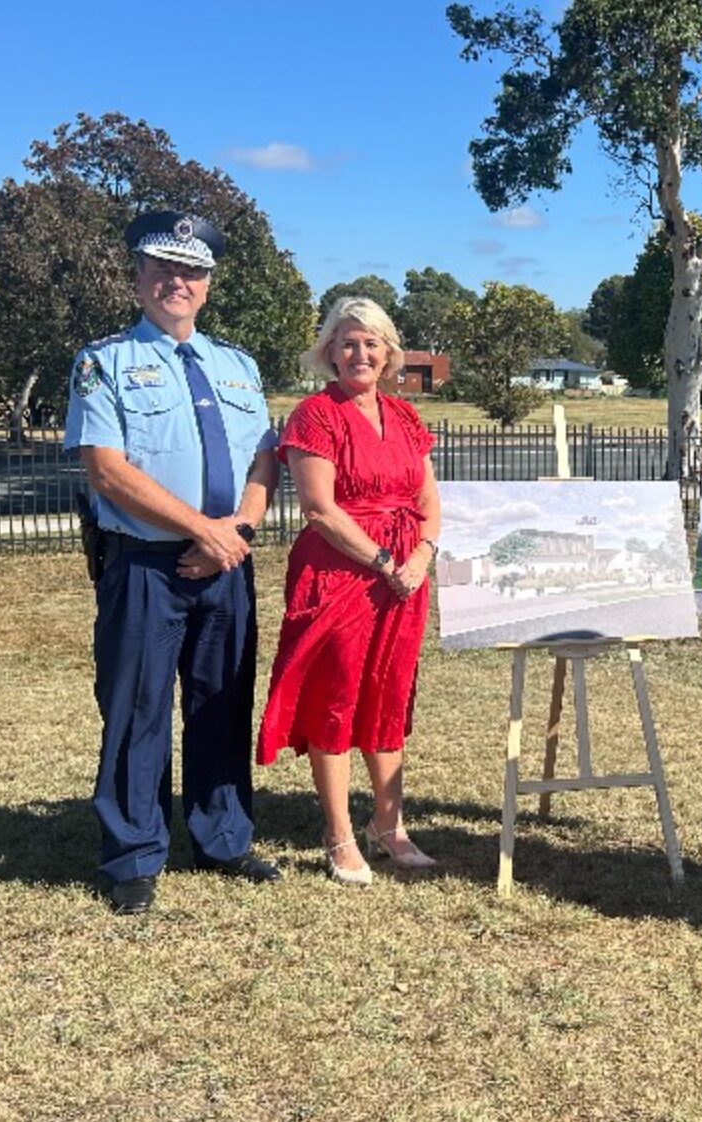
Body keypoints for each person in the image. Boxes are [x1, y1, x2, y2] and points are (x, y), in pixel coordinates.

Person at [64, 210, 281, 915]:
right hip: (146, 568)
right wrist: (202, 531)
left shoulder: (238, 366)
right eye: (162, 268)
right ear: (138, 277)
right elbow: (107, 470)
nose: (176, 281)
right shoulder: (104, 362)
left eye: (190, 271)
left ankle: (223, 837)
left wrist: (236, 531)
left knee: (222, 702)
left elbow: (263, 460)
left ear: (208, 284)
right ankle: (133, 854)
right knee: (138, 707)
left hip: (227, 562)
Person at [256, 297, 441, 886]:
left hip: (404, 578)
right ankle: (338, 835)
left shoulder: (406, 418)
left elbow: (429, 502)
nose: (360, 353)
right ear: (330, 352)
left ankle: (390, 826)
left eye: (371, 343)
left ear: (389, 353)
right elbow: (319, 509)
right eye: (348, 343)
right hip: (340, 572)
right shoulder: (315, 415)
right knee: (335, 697)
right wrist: (387, 560)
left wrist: (421, 555)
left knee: (388, 696)